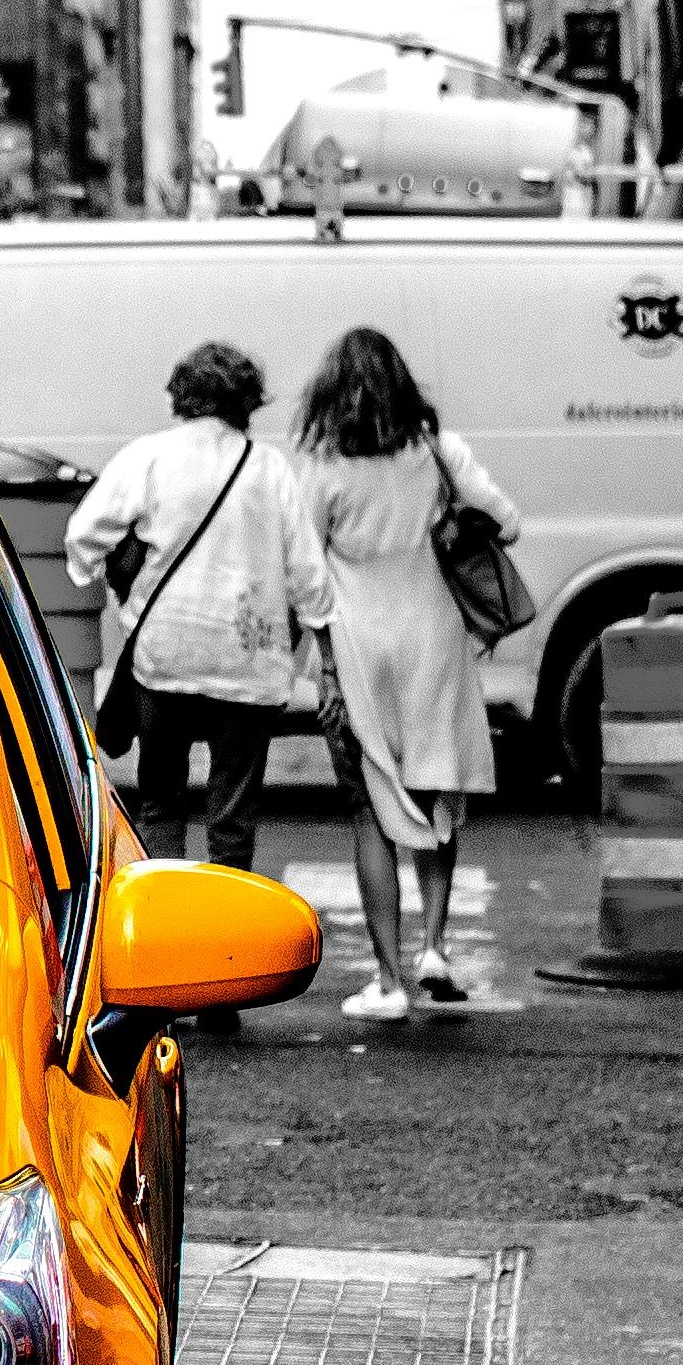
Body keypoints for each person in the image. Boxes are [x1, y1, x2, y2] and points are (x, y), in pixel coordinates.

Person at [294, 326, 522, 1022]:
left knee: (370, 812)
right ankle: (434, 949)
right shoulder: (437, 453)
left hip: (358, 646)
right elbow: (505, 522)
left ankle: (389, 981)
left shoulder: (322, 466)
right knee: (436, 786)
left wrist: (322, 665)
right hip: (433, 637)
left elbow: (305, 570)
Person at [64, 341, 333, 894]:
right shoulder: (269, 469)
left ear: (182, 394)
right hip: (247, 660)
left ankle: (168, 922)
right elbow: (308, 573)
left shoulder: (149, 457)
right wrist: (324, 654)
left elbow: (83, 536)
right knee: (233, 819)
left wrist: (118, 594)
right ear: (246, 400)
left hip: (166, 658)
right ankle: (230, 940)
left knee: (161, 801)